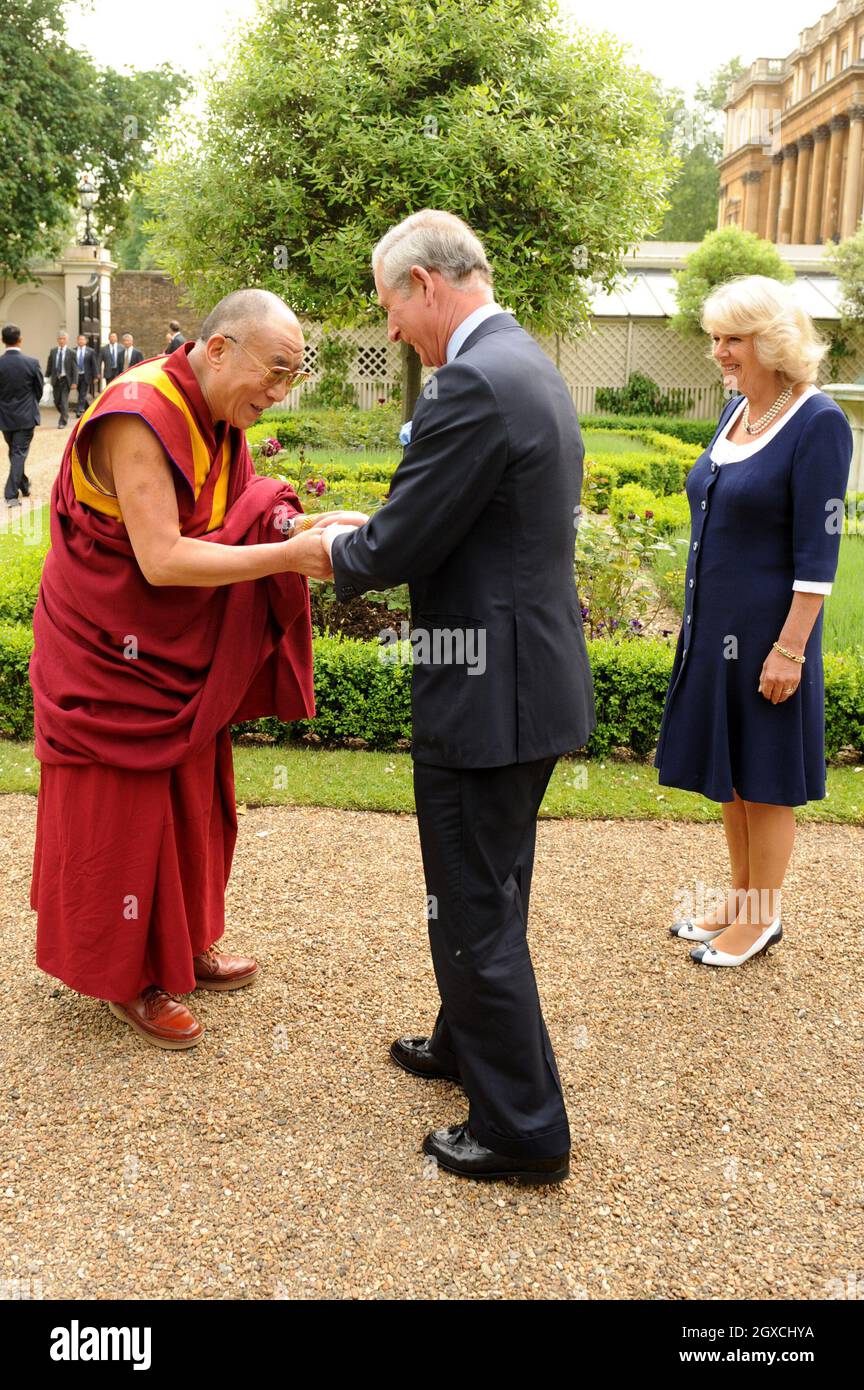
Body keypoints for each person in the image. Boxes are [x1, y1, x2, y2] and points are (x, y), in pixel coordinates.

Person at [321, 210, 595, 1184]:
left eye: (390, 303)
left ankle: (523, 1130)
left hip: (490, 697)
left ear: (426, 286)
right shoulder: (525, 360)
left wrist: (327, 545)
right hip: (527, 681)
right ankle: (464, 1042)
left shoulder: (473, 379)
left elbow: (395, 548)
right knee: (489, 889)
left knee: (474, 908)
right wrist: (386, 522)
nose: (390, 328)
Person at [29, 288, 363, 1049]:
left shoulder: (214, 415)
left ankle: (183, 943)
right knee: (124, 813)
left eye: (291, 379)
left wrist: (308, 526)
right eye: (274, 373)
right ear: (218, 350)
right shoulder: (138, 414)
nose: (278, 395)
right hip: (111, 655)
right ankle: (130, 976)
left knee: (194, 798)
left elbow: (229, 515)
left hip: (172, 656)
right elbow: (163, 556)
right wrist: (287, 554)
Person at [658, 275, 853, 967]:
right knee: (733, 770)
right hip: (715, 632)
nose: (719, 352)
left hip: (773, 637)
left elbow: (818, 549)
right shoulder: (737, 412)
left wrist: (791, 650)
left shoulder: (819, 420)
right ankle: (742, 900)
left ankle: (761, 918)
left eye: (732, 338)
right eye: (715, 338)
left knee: (765, 776)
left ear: (771, 340)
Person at [0, 324, 43, 506]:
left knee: (15, 452)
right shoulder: (32, 363)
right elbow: (39, 391)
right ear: (21, 339)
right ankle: (11, 495)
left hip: (5, 417)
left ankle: (23, 485)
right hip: (26, 416)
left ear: (2, 341)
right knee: (18, 453)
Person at [46, 332, 74, 427]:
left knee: (63, 400)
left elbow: (75, 368)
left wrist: (75, 382)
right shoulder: (53, 351)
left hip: (66, 380)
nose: (62, 340)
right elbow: (50, 365)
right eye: (60, 339)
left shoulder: (71, 352)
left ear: (67, 340)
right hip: (56, 379)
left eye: (64, 339)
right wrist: (46, 377)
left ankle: (62, 422)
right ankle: (65, 413)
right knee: (57, 401)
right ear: (57, 340)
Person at [73, 333, 98, 417]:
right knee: (80, 392)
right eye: (79, 339)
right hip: (76, 376)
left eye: (82, 339)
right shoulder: (73, 351)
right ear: (77, 341)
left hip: (86, 375)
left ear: (86, 341)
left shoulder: (90, 351)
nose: (81, 341)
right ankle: (87, 407)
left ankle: (79, 410)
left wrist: (95, 376)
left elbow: (94, 364)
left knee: (82, 393)